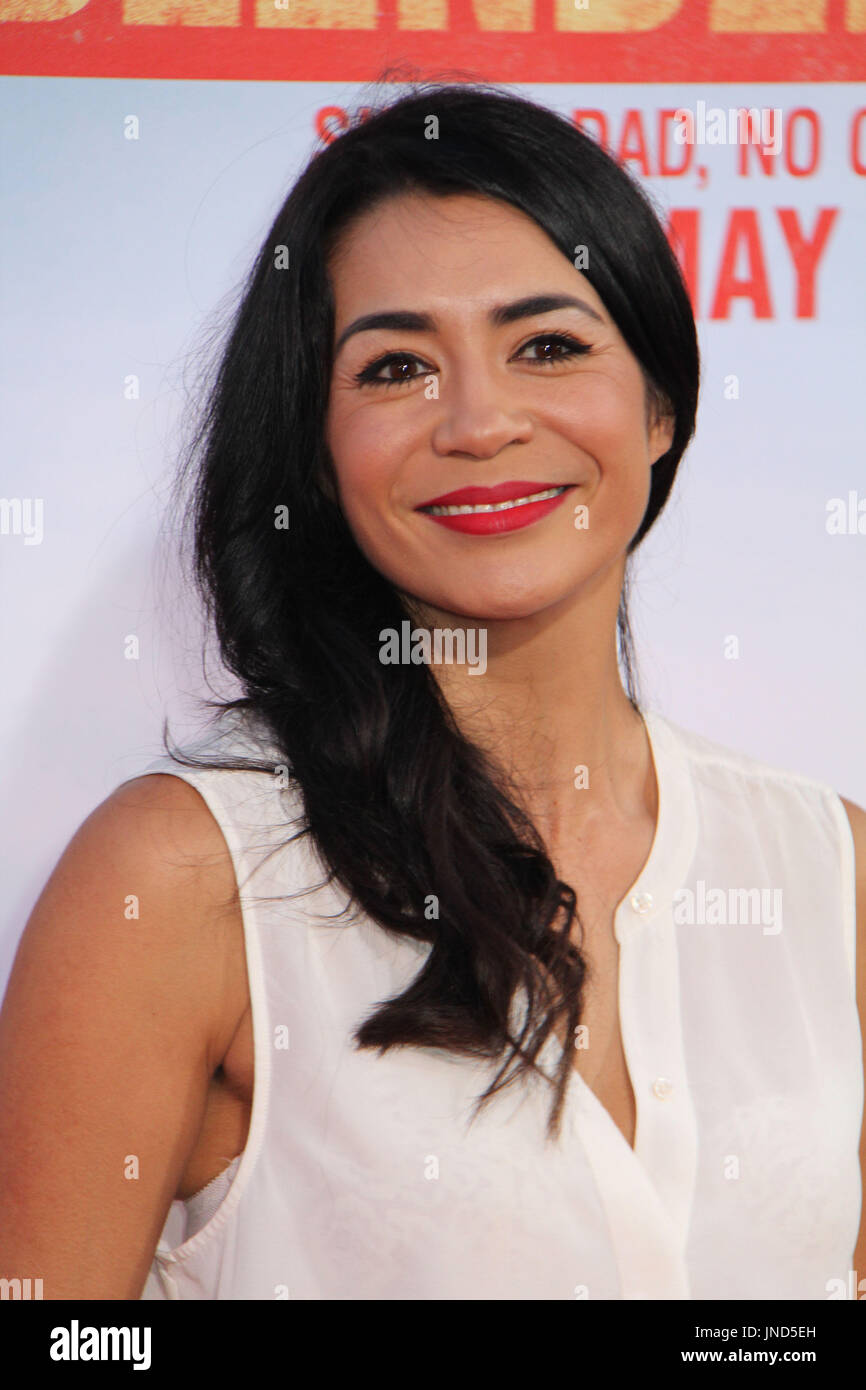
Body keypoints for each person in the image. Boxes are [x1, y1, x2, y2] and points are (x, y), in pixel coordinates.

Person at [1, 81, 863, 1302]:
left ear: (659, 404)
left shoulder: (828, 874)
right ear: (316, 446)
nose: (478, 420)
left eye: (548, 345)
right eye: (396, 366)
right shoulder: (183, 879)